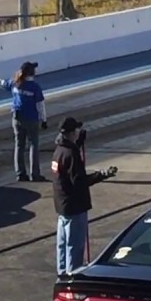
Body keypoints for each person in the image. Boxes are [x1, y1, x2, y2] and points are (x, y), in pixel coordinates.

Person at [51, 117, 117, 276]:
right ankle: (72, 276)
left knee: (63, 243)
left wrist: (78, 143)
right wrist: (101, 175)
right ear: (72, 132)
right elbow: (79, 181)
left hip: (62, 205)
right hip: (75, 206)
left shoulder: (58, 151)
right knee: (75, 245)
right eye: (76, 131)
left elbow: (69, 160)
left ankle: (62, 273)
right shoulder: (71, 154)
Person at [0, 61, 49, 181]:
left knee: (19, 145)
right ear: (32, 73)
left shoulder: (15, 83)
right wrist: (44, 120)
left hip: (17, 118)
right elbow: (40, 105)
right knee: (33, 146)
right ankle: (35, 174)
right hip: (31, 119)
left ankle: (20, 173)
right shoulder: (35, 87)